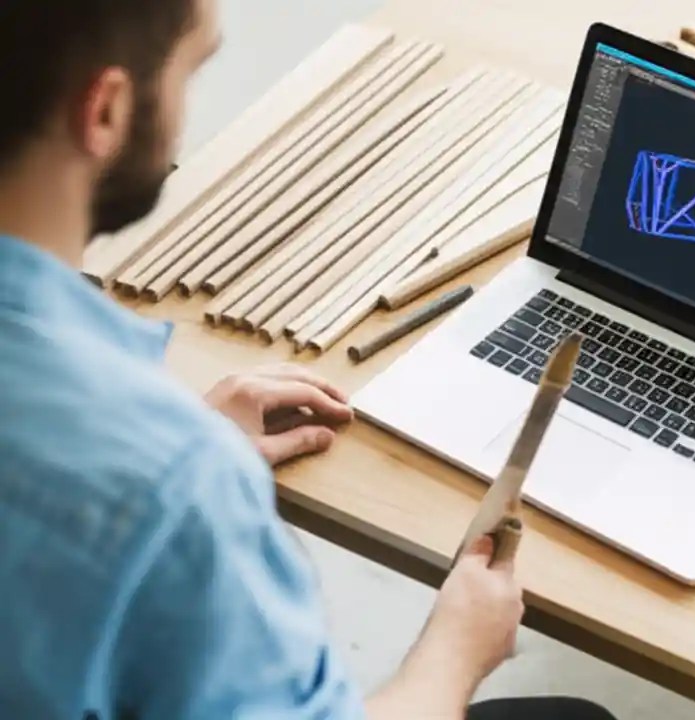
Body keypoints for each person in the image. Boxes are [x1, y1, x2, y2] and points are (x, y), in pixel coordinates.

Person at [0, 1, 616, 718]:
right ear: (104, 112)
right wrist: (458, 646)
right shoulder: (174, 481)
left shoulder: (154, 467)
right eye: (190, 72)